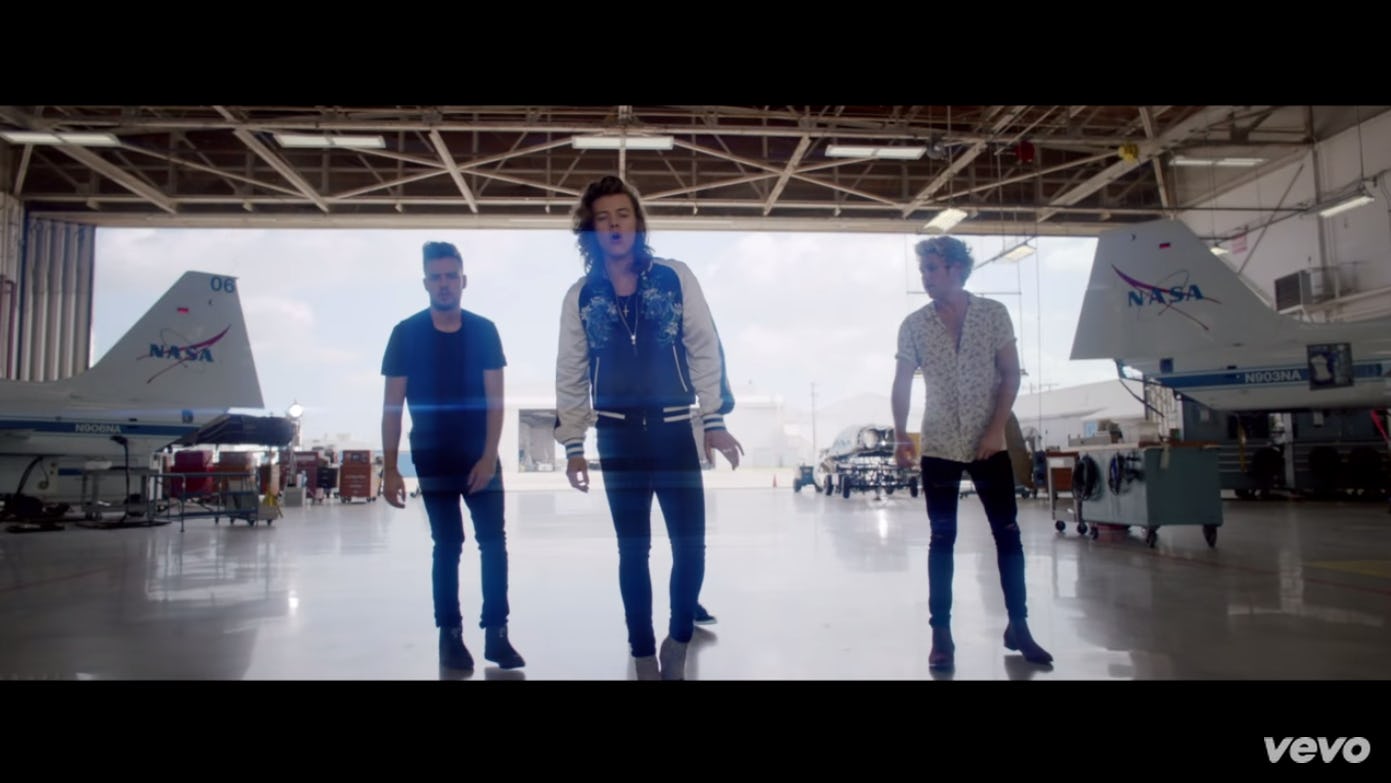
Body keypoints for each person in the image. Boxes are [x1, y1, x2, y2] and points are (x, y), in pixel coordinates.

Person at [554, 175, 741, 680]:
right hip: (616, 437)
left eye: (623, 215)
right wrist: (573, 444)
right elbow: (570, 371)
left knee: (691, 545)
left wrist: (714, 420)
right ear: (590, 232)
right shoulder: (580, 296)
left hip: (675, 430)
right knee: (633, 551)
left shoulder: (675, 277)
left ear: (638, 224)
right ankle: (641, 655)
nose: (615, 226)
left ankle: (677, 641)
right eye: (603, 218)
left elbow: (705, 346)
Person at [891, 235, 1052, 672]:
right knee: (942, 537)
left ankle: (1019, 625)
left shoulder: (993, 314)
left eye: (932, 269)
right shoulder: (914, 325)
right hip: (940, 444)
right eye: (922, 270)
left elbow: (1010, 376)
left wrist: (996, 431)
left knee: (1007, 533)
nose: (925, 277)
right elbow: (902, 381)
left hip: (989, 442)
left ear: (957, 270)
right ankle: (941, 634)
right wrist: (901, 434)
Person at [381, 240, 525, 672]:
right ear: (425, 283)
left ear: (464, 281)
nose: (444, 283)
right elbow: (392, 407)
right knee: (447, 544)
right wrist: (390, 469)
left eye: (451, 276)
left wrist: (488, 456)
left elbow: (495, 401)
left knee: (493, 543)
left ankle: (497, 634)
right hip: (432, 456)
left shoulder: (484, 331)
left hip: (479, 454)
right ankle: (450, 636)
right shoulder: (405, 334)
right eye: (436, 277)